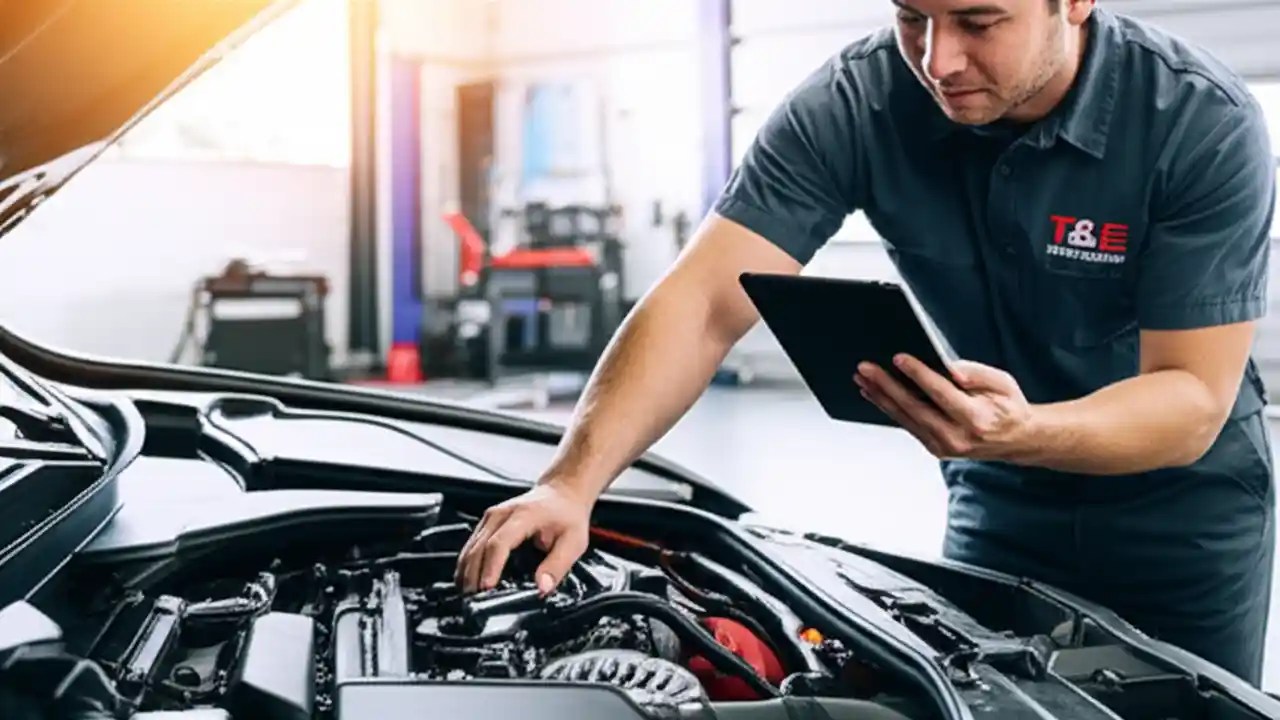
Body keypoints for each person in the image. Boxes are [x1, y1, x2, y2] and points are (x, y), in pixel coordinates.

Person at [455, 0, 1278, 686]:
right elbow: (706, 301)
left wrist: (1026, 433)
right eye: (911, 16)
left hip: (1181, 515)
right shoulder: (862, 99)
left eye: (979, 20)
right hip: (1000, 498)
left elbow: (1191, 399)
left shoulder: (1196, 123)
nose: (938, 59)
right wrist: (571, 482)